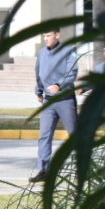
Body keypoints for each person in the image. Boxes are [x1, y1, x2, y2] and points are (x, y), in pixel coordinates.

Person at [32, 28, 79, 182]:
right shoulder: (42, 53)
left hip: (65, 100)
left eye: (49, 35)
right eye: (44, 35)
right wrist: (39, 91)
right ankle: (44, 171)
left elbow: (72, 72)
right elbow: (38, 73)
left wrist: (60, 84)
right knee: (44, 136)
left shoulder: (68, 51)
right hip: (48, 101)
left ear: (57, 35)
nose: (46, 38)